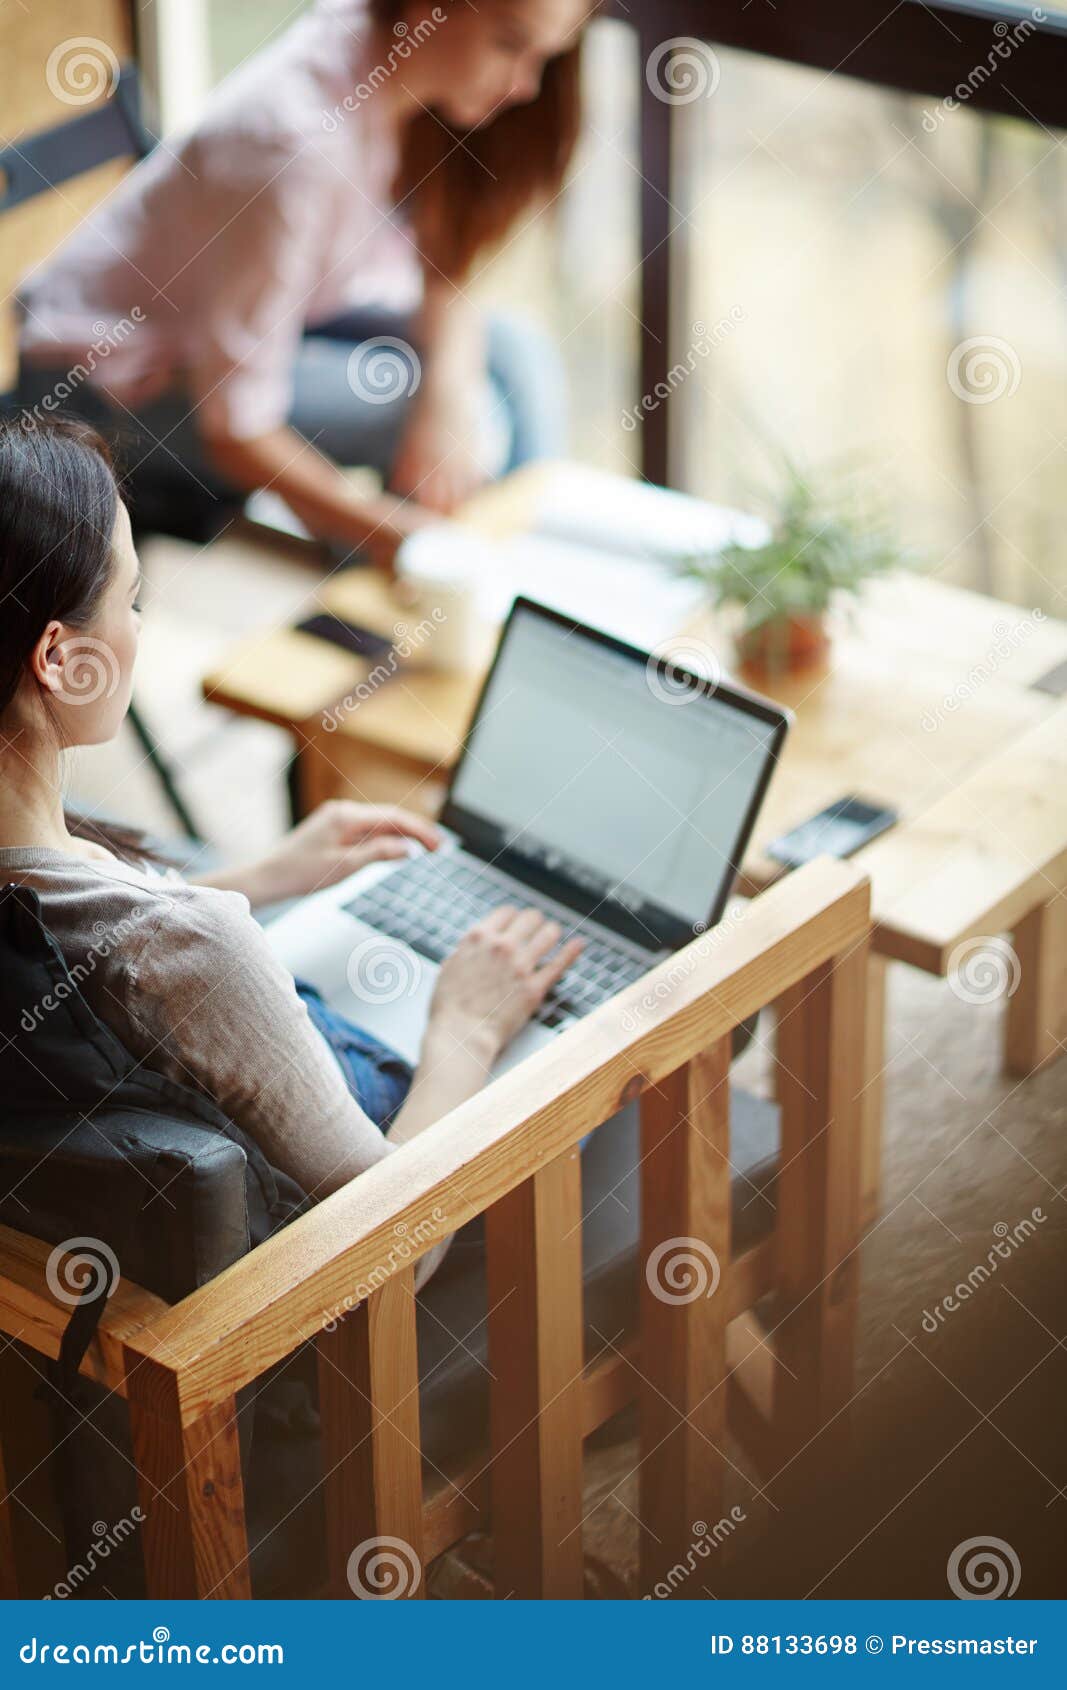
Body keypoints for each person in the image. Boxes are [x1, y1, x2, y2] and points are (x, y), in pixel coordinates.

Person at [0, 417, 583, 1286]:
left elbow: (101, 953)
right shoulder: (194, 948)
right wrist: (465, 1029)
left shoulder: (93, 903)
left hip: (112, 1275)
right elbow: (395, 1246)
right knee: (622, 1067)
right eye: (130, 599)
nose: (138, 623)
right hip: (355, 1292)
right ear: (58, 656)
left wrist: (263, 878)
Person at [14, 0, 589, 560]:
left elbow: (446, 263)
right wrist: (412, 541)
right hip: (101, 382)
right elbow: (237, 428)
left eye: (544, 55)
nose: (526, 87)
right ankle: (455, 601)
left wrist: (447, 395)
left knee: (518, 352)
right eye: (510, 43)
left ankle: (531, 573)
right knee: (438, 415)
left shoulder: (399, 64)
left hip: (250, 322)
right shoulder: (295, 148)